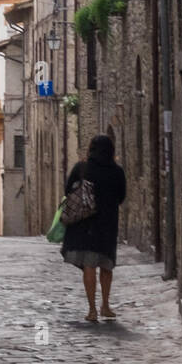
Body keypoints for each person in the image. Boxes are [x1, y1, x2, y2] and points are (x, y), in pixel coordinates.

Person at [61, 134, 127, 323]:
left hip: (85, 223)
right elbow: (121, 196)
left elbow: (68, 191)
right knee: (106, 265)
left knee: (89, 265)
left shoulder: (82, 168)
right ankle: (105, 305)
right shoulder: (117, 172)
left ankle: (91, 310)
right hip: (107, 223)